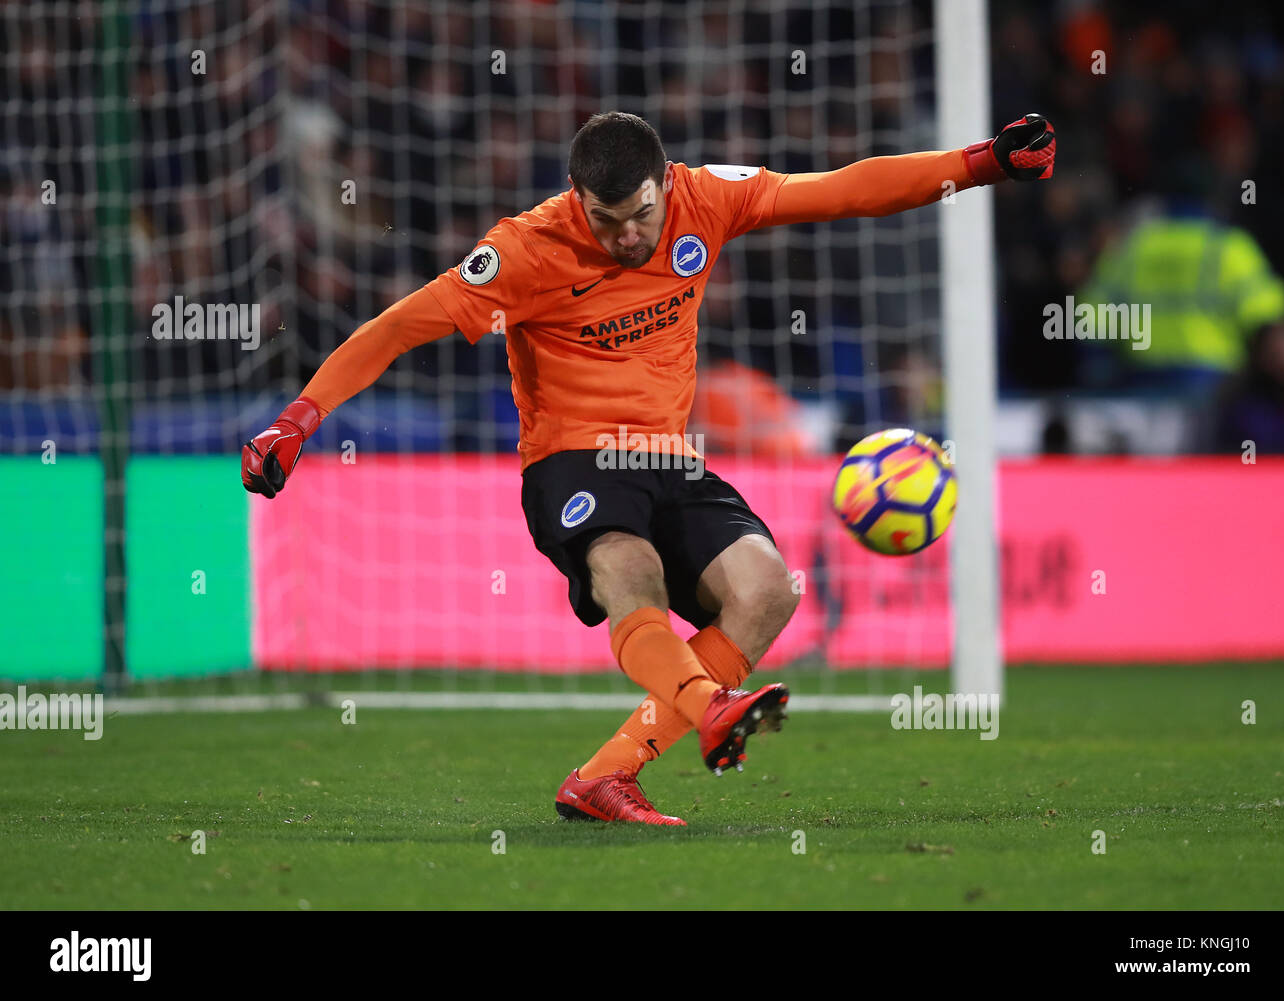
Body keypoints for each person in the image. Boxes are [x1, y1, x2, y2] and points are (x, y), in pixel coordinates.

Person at [242, 111, 1056, 825]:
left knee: (767, 590)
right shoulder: (525, 248)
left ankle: (605, 775)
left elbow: (842, 188)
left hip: (669, 456)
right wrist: (298, 419)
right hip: (571, 458)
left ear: (665, 184)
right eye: (606, 219)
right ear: (575, 197)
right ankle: (712, 708)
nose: (628, 236)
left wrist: (981, 163)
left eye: (640, 214)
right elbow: (396, 327)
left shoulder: (707, 198)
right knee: (630, 571)